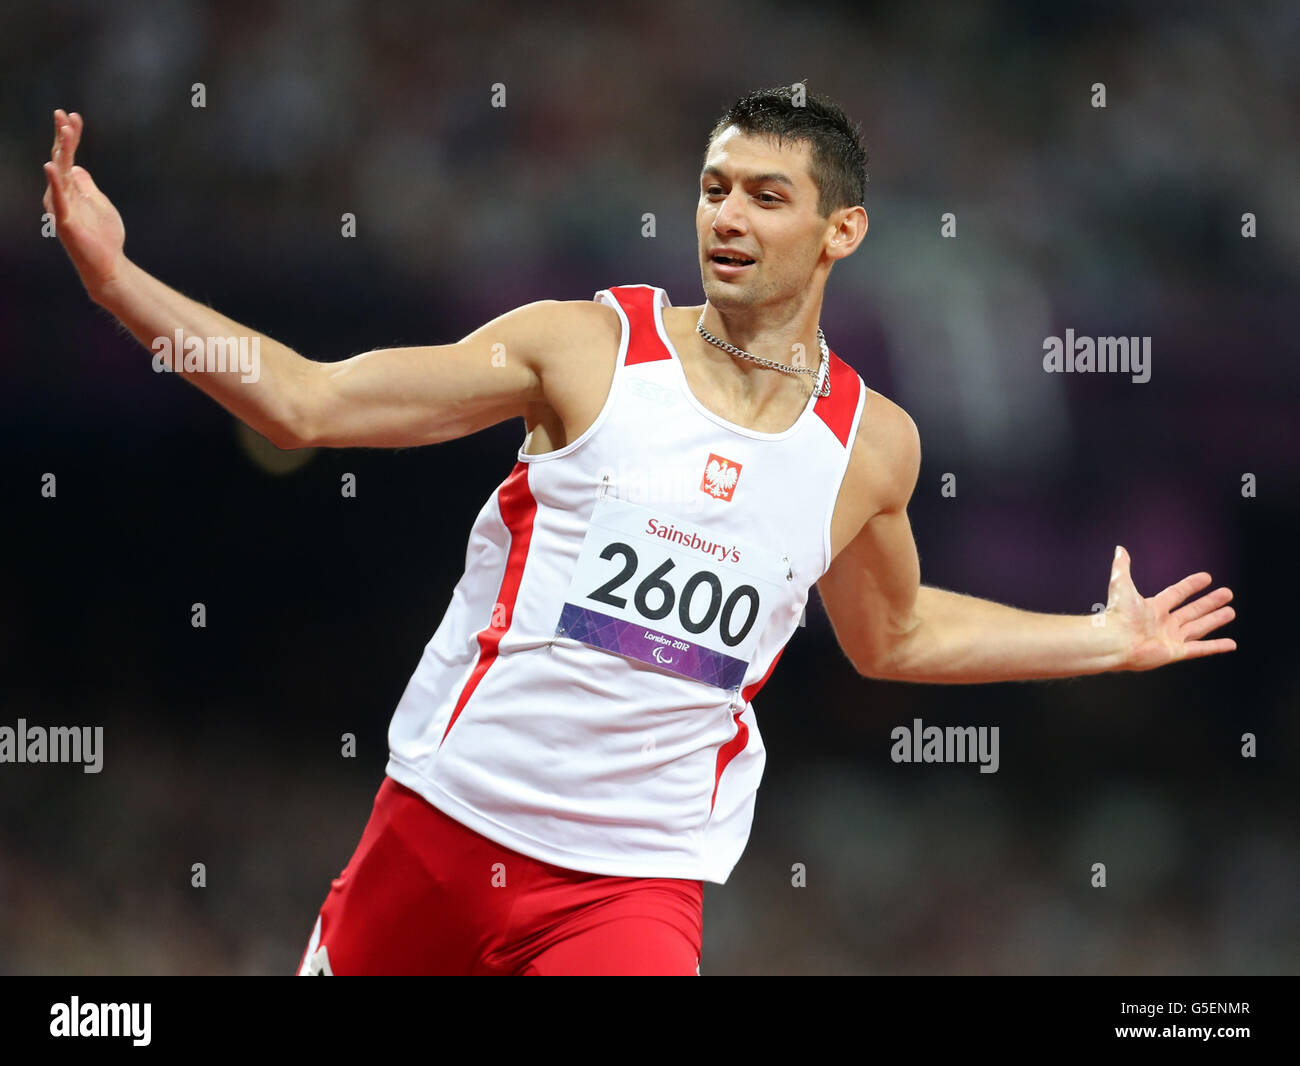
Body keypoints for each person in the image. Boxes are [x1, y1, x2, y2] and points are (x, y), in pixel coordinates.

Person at [42, 88, 1236, 976]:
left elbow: (895, 634)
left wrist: (1100, 639)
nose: (728, 215)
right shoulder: (584, 348)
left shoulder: (872, 445)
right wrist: (119, 282)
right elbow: (306, 401)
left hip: (630, 884)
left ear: (842, 233)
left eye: (768, 197)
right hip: (445, 830)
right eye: (715, 187)